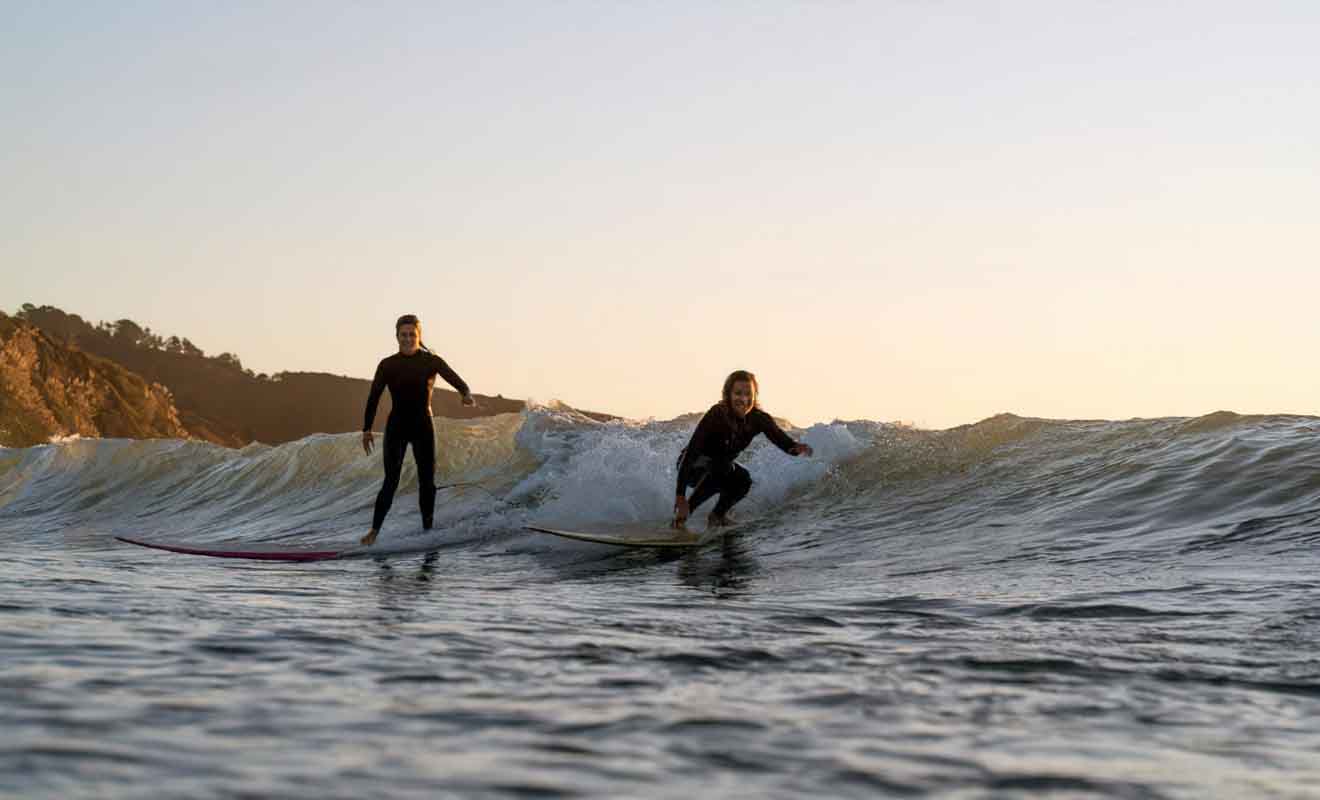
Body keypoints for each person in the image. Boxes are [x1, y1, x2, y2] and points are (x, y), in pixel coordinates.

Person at [360, 314, 475, 546]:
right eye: (403, 334)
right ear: (397, 336)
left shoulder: (431, 361)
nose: (408, 338)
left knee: (427, 481)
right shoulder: (387, 364)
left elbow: (457, 380)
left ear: (419, 336)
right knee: (391, 480)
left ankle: (427, 532)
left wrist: (465, 394)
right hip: (397, 426)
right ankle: (374, 532)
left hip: (423, 424)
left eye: (412, 334)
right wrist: (367, 429)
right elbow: (374, 397)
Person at [672, 370, 813, 533]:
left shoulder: (759, 419)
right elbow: (690, 454)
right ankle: (682, 518)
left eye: (748, 394)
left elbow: (785, 443)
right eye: (738, 393)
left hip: (719, 469)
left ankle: (717, 516)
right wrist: (680, 496)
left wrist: (798, 448)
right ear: (728, 394)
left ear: (755, 396)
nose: (744, 399)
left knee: (743, 480)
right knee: (723, 466)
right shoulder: (717, 414)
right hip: (692, 467)